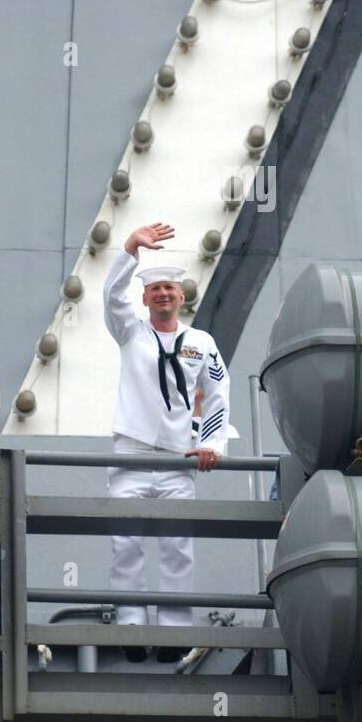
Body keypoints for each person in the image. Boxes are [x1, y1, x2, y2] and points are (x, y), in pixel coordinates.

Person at [102, 221, 231, 663]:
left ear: (181, 297)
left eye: (168, 290)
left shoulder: (201, 343)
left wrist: (212, 445)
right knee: (127, 542)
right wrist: (130, 250)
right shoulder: (130, 333)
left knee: (177, 544)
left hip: (178, 457)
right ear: (145, 298)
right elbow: (110, 298)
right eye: (154, 289)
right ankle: (132, 630)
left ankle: (175, 631)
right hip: (132, 452)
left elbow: (217, 394)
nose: (161, 295)